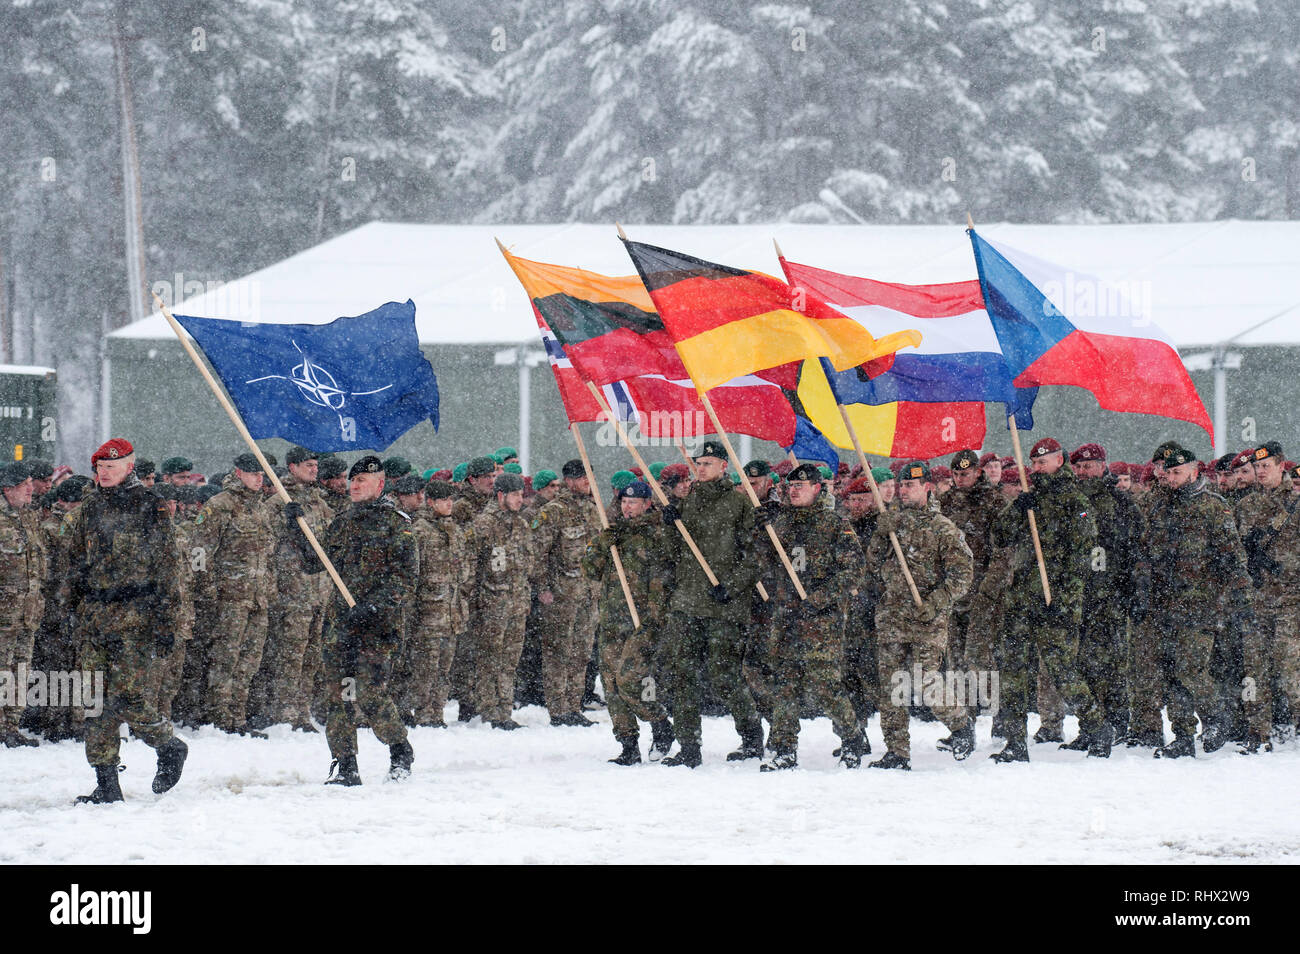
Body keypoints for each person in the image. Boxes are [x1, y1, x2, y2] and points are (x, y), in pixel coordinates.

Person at [58, 439, 188, 803]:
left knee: (127, 697)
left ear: (129, 468)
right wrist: (68, 606)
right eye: (100, 467)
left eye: (112, 467)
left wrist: (166, 621)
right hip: (95, 617)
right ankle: (107, 783)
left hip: (137, 616)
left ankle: (168, 745)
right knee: (95, 699)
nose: (104, 473)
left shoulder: (149, 506)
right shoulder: (90, 507)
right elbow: (74, 561)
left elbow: (167, 567)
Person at [292, 455, 418, 785]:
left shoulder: (396, 525)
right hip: (341, 624)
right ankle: (346, 763)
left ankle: (399, 748)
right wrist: (296, 527)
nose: (355, 486)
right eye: (353, 480)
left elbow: (404, 579)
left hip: (376, 627)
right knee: (339, 695)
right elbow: (314, 561)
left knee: (370, 695)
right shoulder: (344, 522)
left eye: (363, 481)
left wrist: (374, 607)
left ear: (380, 484)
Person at [988, 438, 1109, 761]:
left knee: (1060, 669)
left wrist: (1064, 600)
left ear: (1060, 461)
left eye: (1044, 462)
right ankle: (1015, 741)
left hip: (1056, 601)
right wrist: (1019, 507)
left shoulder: (1074, 500)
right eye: (1035, 463)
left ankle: (1097, 727)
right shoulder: (1030, 498)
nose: (1037, 468)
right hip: (1022, 600)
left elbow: (1084, 557)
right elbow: (999, 536)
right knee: (1012, 669)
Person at [1138, 446, 1254, 757]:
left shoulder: (1212, 506)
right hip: (1164, 603)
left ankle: (1216, 716)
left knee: (1191, 669)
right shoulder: (1160, 506)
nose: (1170, 478)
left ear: (1194, 472)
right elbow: (1146, 551)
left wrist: (1242, 597)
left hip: (1199, 603)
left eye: (1177, 472)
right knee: (1172, 670)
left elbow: (1233, 556)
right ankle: (1183, 736)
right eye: (1168, 472)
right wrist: (1140, 584)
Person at [658, 441, 762, 767]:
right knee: (682, 676)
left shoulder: (738, 505)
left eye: (707, 463)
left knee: (724, 676)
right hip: (688, 602)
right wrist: (670, 525)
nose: (700, 469)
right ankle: (688, 745)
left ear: (723, 467)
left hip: (724, 606)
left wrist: (731, 587)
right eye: (698, 463)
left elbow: (756, 554)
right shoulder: (687, 504)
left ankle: (751, 735)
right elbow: (675, 554)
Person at [865, 461, 976, 769]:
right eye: (902, 486)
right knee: (891, 687)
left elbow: (962, 575)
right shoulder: (893, 523)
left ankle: (959, 723)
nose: (904, 491)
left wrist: (937, 600)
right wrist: (879, 534)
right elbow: (873, 566)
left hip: (927, 619)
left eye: (911, 486)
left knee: (923, 681)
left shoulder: (943, 528)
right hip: (892, 616)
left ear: (927, 487)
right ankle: (897, 751)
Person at [757, 464, 868, 770]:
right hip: (786, 614)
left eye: (801, 486)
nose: (794, 490)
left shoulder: (834, 524)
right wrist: (760, 529)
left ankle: (851, 737)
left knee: (825, 685)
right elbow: (761, 559)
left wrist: (819, 599)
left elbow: (853, 571)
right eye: (791, 486)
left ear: (818, 488)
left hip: (821, 619)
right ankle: (783, 748)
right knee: (785, 684)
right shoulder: (780, 523)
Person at [582, 481, 675, 764]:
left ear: (647, 504)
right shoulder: (614, 533)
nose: (627, 507)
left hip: (642, 622)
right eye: (624, 502)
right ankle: (628, 744)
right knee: (610, 685)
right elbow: (590, 570)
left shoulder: (657, 534)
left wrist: (653, 620)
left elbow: (664, 581)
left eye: (633, 503)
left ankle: (660, 724)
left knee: (630, 679)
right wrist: (601, 544)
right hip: (612, 619)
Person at [192, 452, 274, 737]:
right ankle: (220, 717)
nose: (259, 478)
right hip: (230, 598)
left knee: (250, 660)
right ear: (239, 473)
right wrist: (208, 590)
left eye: (262, 474)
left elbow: (266, 552)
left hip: (257, 597)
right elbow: (199, 553)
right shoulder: (220, 505)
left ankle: (238, 716)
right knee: (225, 658)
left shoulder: (260, 508)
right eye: (254, 473)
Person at [532, 460, 602, 727]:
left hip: (588, 592)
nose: (588, 482)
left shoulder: (593, 510)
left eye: (590, 477)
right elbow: (538, 554)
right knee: (558, 651)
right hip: (562, 593)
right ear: (569, 481)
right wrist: (543, 587)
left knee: (582, 651)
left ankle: (574, 705)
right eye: (583, 478)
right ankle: (558, 708)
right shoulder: (553, 512)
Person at [469, 472, 540, 730]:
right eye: (516, 495)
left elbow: (526, 566)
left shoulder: (521, 524)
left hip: (517, 603)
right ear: (501, 496)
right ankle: (490, 710)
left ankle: (505, 709)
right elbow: (472, 569)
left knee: (510, 659)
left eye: (522, 495)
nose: (521, 500)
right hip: (492, 604)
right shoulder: (484, 525)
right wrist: (476, 604)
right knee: (490, 658)